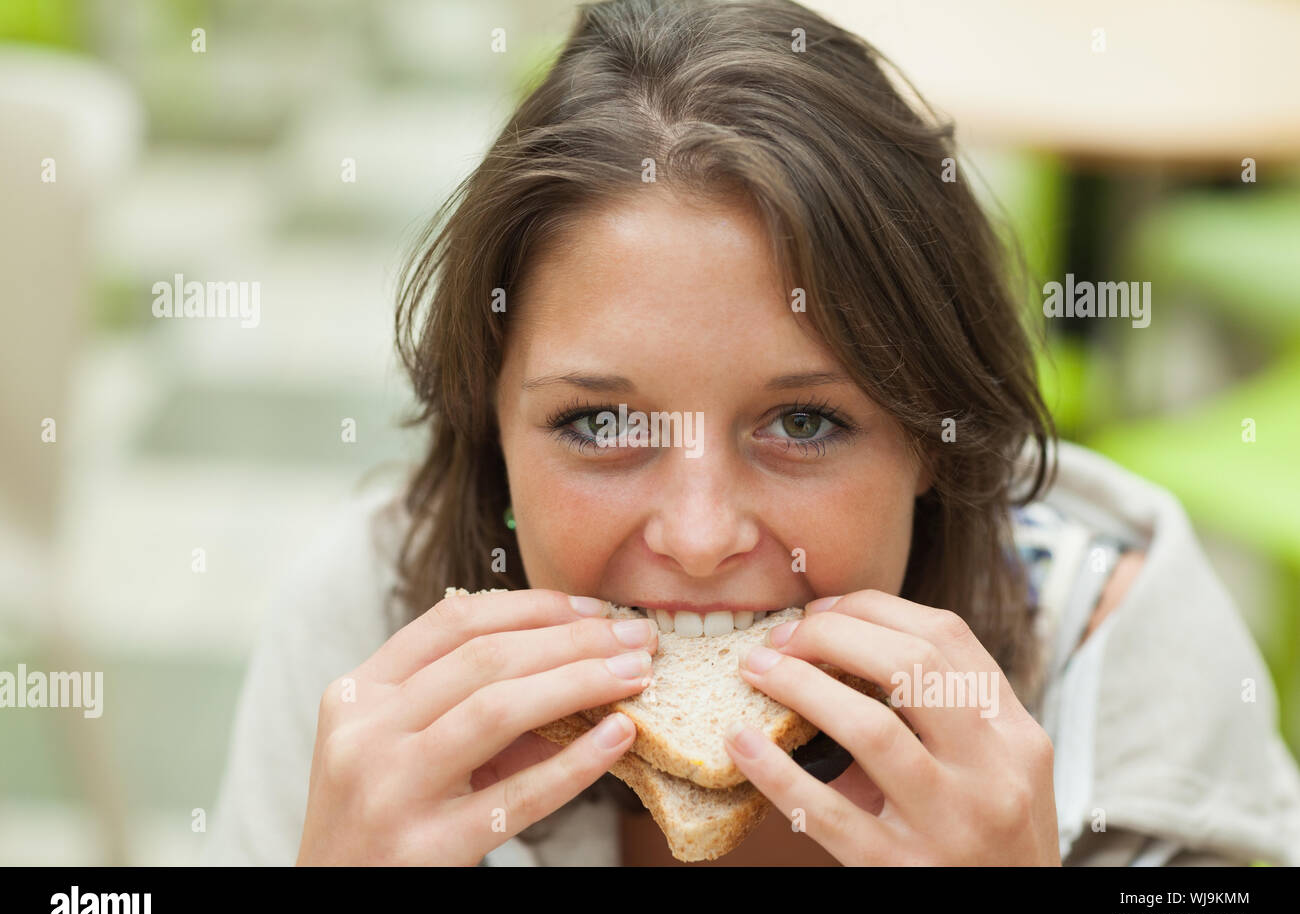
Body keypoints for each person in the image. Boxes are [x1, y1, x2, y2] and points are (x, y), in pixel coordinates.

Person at [203, 0, 1300, 866]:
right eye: (600, 421)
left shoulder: (1129, 667)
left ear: (935, 440)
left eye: (805, 420)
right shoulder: (362, 628)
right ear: (488, 427)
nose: (696, 535)